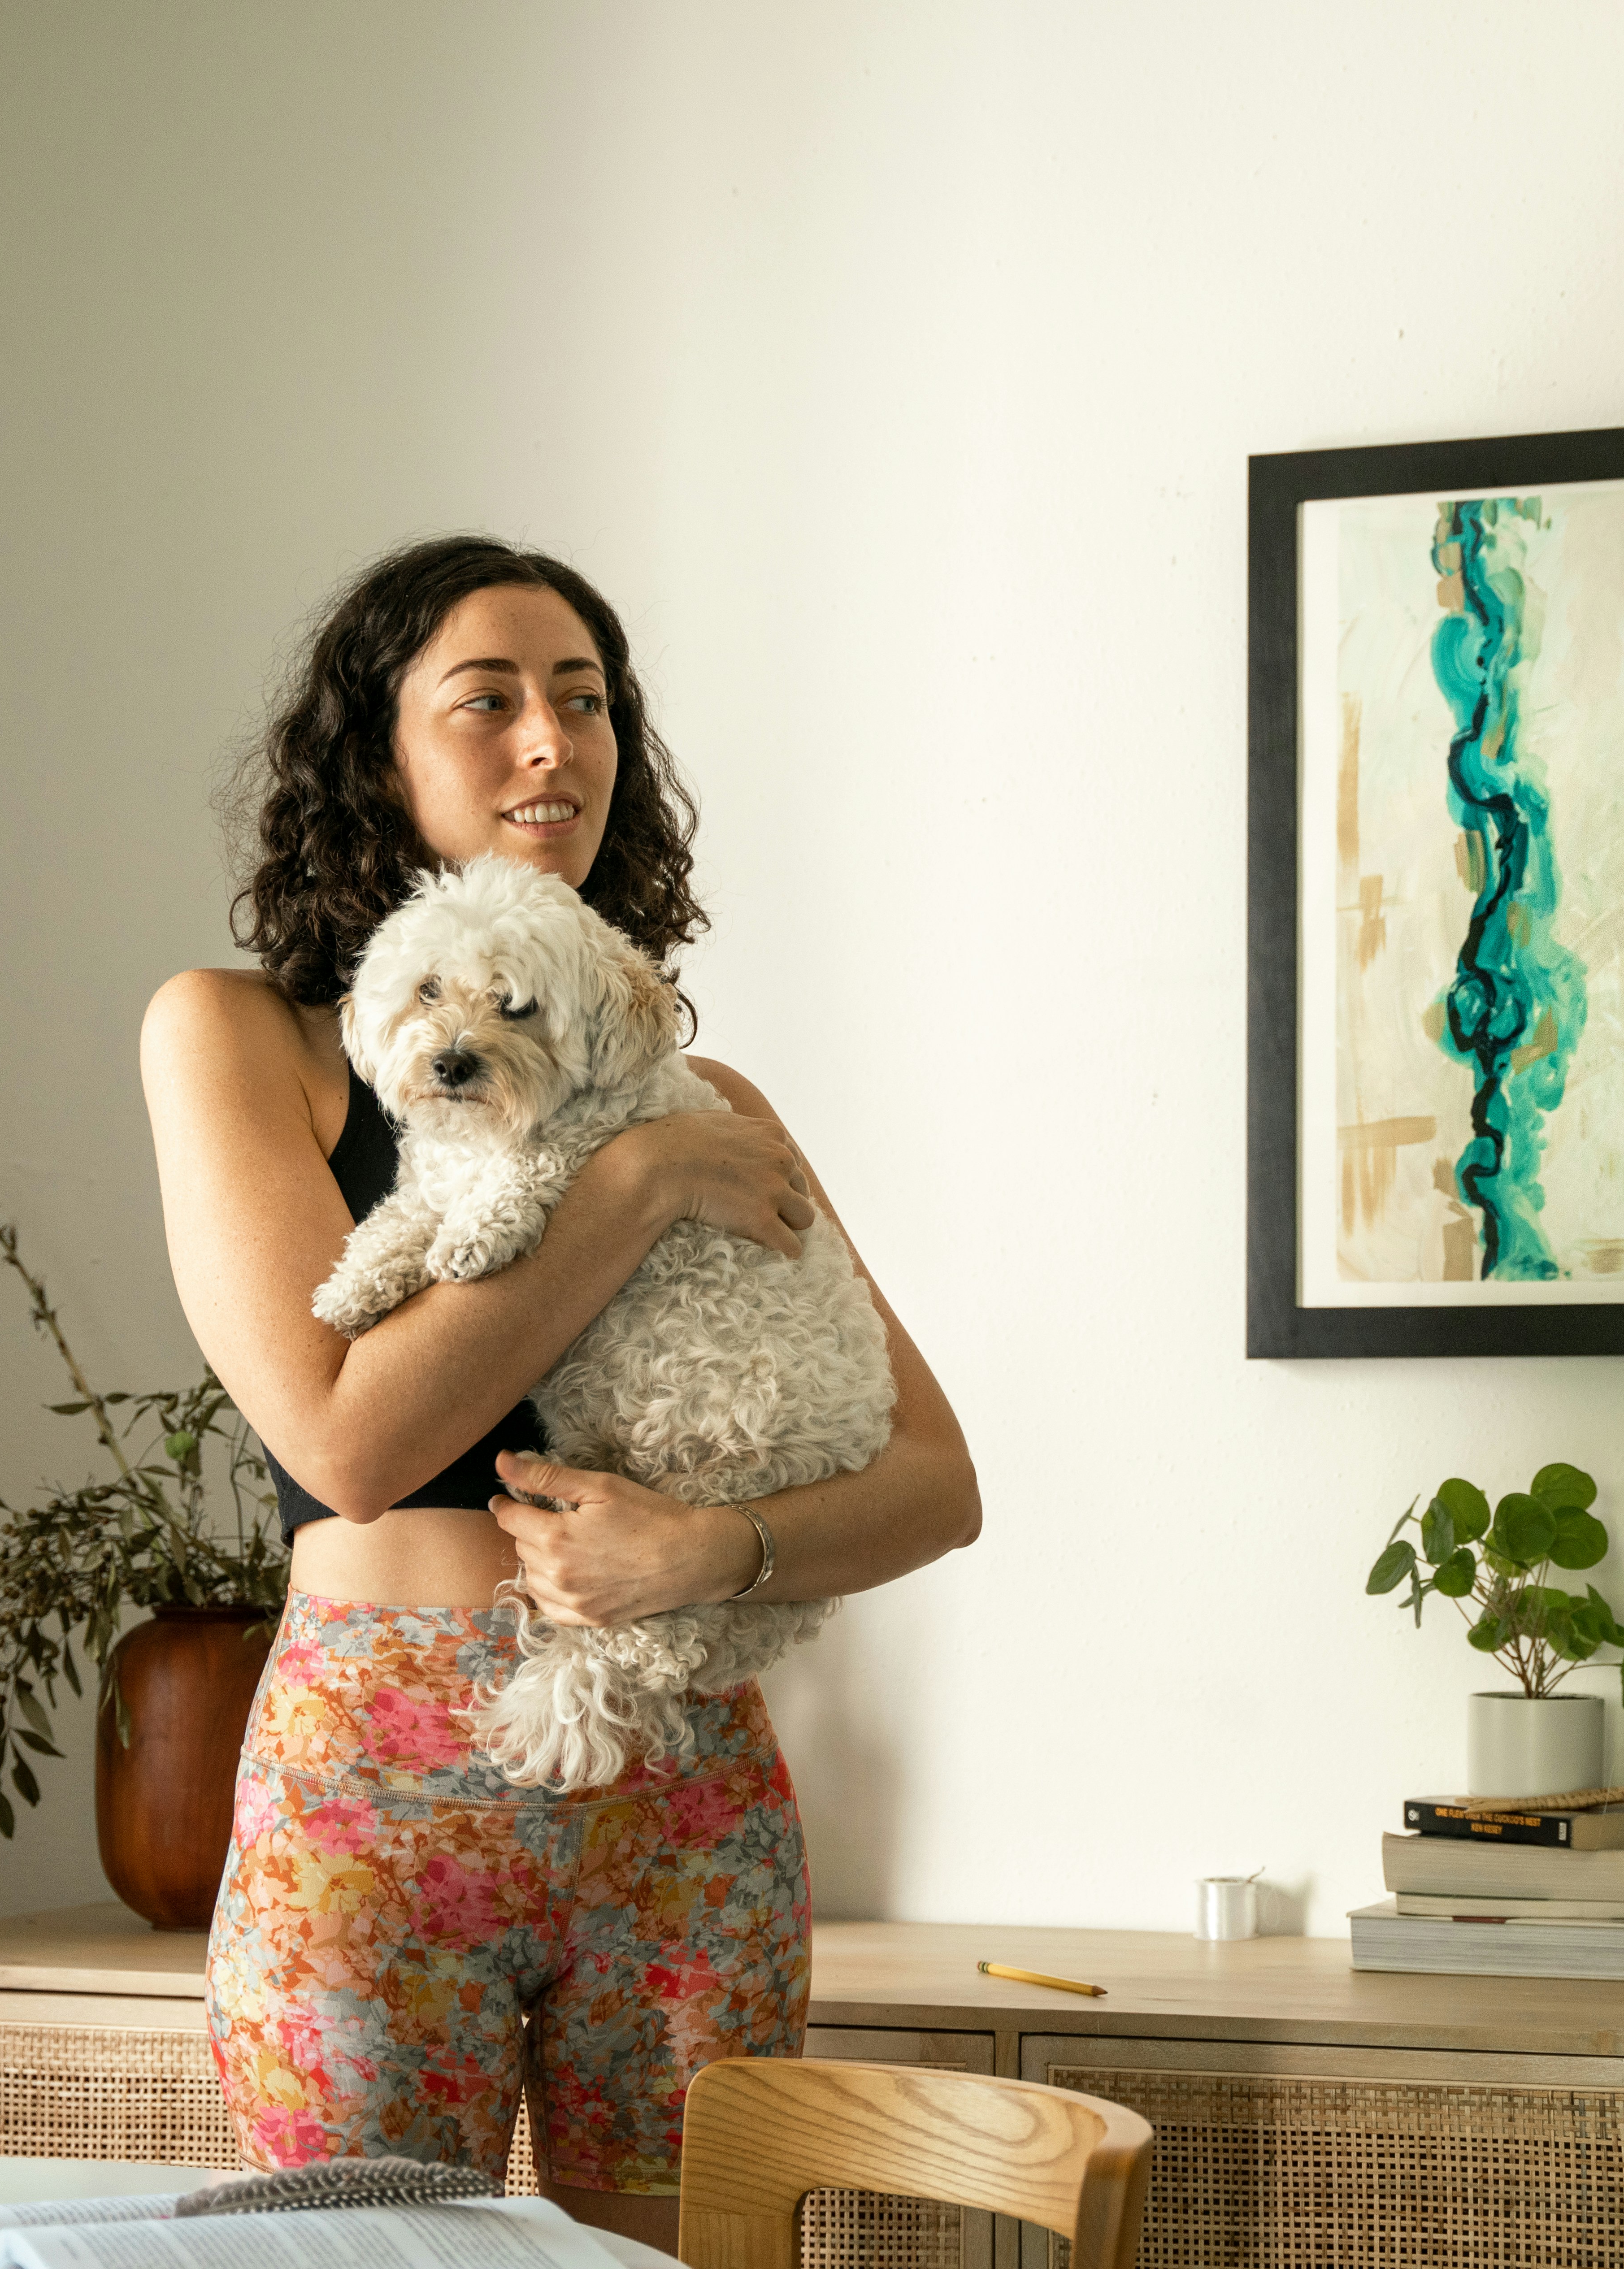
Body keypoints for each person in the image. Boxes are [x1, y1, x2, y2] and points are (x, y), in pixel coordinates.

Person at [140, 536, 979, 2244]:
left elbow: (935, 1482)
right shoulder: (242, 1036)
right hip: (373, 1783)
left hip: (674, 1769)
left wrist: (710, 1551)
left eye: (587, 703)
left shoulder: (702, 1088)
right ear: (375, 750)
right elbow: (349, 1438)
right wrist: (638, 1185)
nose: (555, 742)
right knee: (360, 2261)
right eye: (492, 700)